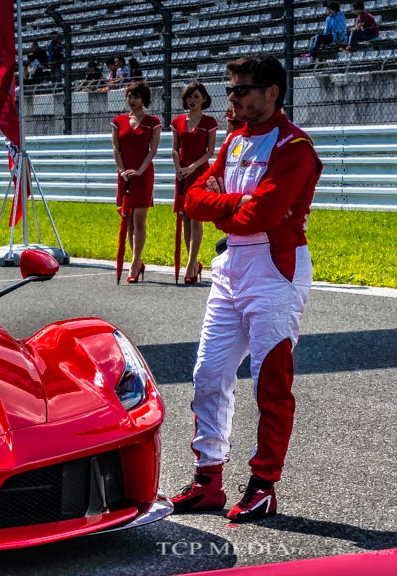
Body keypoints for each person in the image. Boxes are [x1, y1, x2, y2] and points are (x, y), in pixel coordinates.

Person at [173, 55, 323, 522]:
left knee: (270, 385)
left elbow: (263, 215)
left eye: (242, 89)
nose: (232, 97)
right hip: (232, 267)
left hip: (275, 272)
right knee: (207, 375)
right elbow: (191, 199)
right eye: (231, 88)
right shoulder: (235, 140)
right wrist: (236, 203)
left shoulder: (295, 147)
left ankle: (264, 485)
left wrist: (226, 207)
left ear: (272, 92)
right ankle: (208, 480)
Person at [110, 81, 160, 283]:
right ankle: (136, 261)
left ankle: (135, 262)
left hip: (143, 173)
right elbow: (116, 148)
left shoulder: (152, 121)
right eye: (130, 96)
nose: (132, 100)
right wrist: (123, 171)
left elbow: (153, 150)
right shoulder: (118, 121)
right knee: (128, 220)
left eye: (136, 96)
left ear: (144, 99)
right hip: (124, 175)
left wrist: (140, 170)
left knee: (139, 219)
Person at [171, 82, 218, 284]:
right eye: (190, 97)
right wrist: (178, 166)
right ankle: (193, 260)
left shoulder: (209, 122)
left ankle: (191, 263)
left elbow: (209, 151)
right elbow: (174, 148)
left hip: (200, 173)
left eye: (197, 96)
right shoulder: (178, 121)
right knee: (185, 217)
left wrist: (191, 167)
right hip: (182, 173)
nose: (193, 100)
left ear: (204, 99)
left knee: (196, 216)